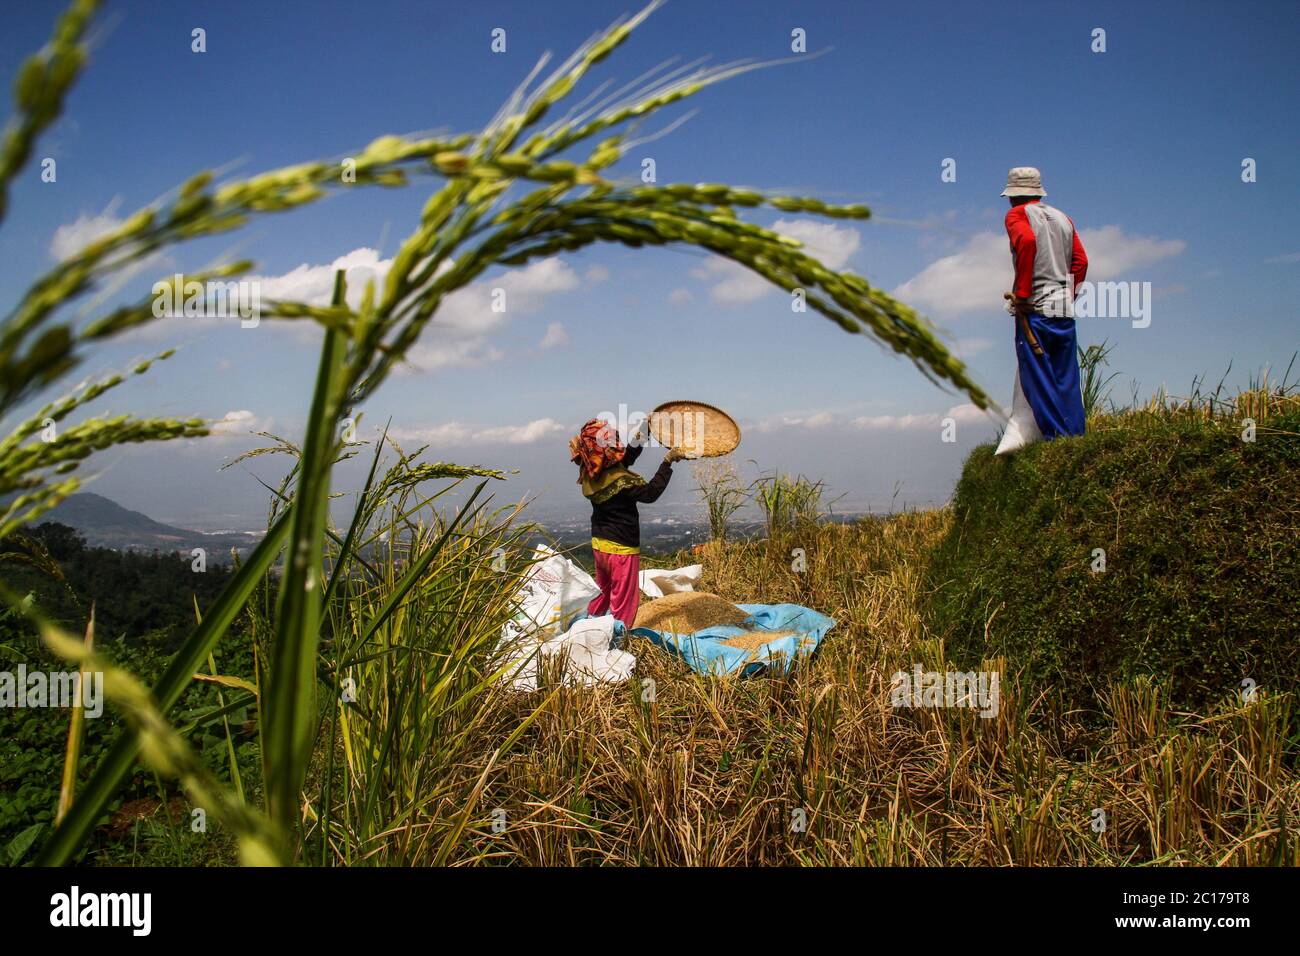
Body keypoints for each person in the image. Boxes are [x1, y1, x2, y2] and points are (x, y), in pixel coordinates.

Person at [997, 166, 1089, 455]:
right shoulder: (1064, 218)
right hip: (1063, 309)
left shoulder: (1016, 215)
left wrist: (1023, 295)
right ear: (1038, 191)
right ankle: (1076, 437)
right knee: (1066, 375)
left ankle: (1056, 441)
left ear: (1013, 195)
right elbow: (1081, 262)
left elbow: (1026, 242)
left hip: (1036, 310)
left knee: (1038, 375)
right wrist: (1067, 294)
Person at [569, 418, 682, 628]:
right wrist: (667, 462)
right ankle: (618, 640)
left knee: (601, 592)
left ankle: (589, 628)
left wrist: (645, 429)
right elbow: (650, 493)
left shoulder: (592, 470)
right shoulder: (621, 481)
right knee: (623, 601)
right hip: (621, 549)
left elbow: (627, 455)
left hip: (600, 546)